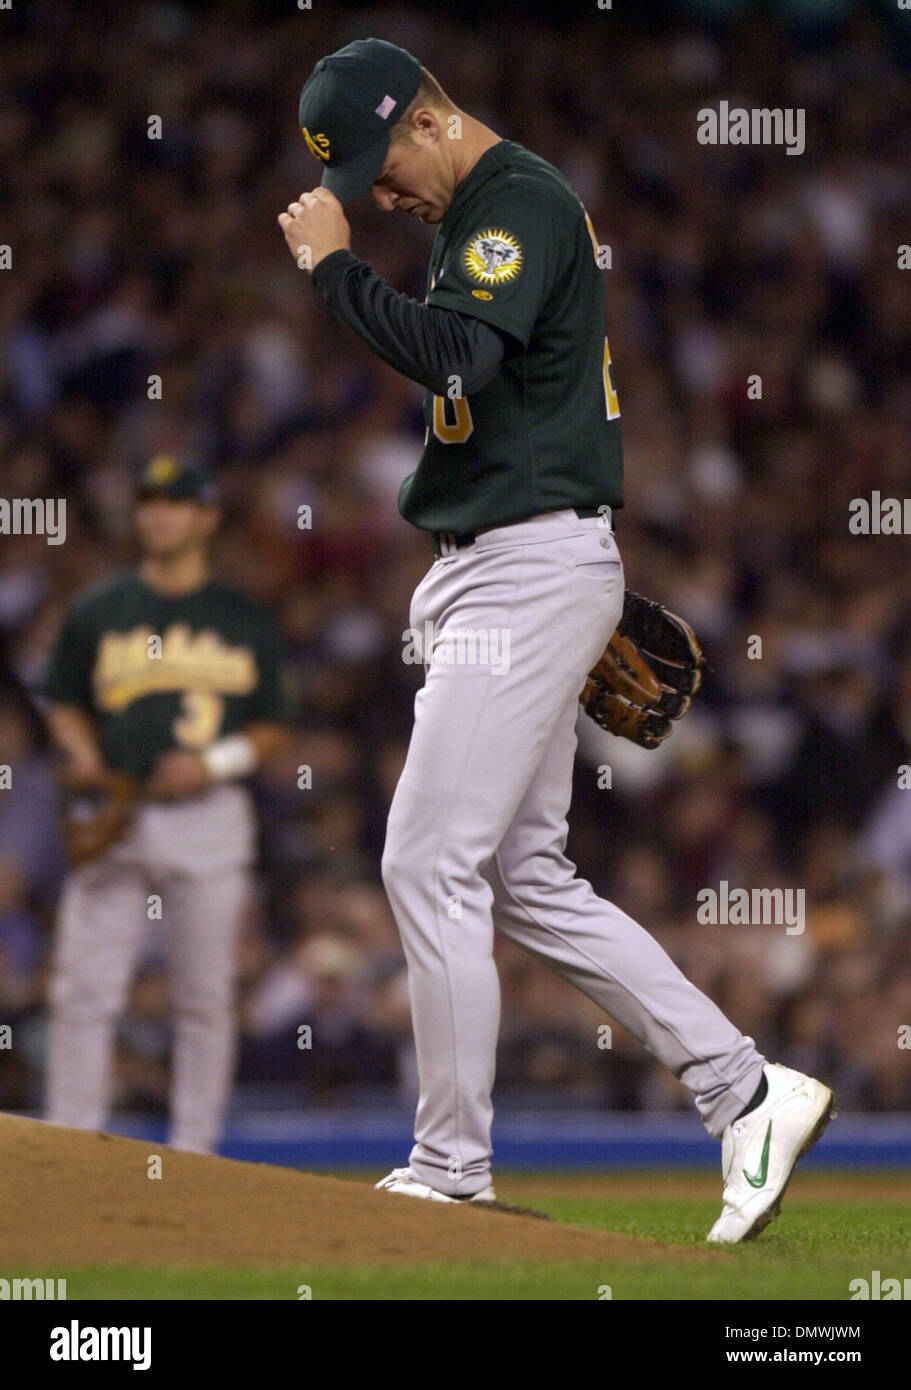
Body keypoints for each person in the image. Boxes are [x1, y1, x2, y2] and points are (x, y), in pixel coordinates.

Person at [278, 38, 834, 1242]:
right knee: (521, 877)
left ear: (430, 120)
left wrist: (332, 271)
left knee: (425, 859)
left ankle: (448, 1165)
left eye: (383, 167)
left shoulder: (515, 203)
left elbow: (456, 353)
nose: (380, 194)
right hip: (506, 564)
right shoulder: (471, 217)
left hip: (521, 568)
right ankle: (743, 1089)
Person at [43, 455, 290, 1153]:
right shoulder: (99, 607)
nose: (156, 513)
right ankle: (69, 1143)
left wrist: (213, 763)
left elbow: (274, 725)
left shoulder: (242, 616)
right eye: (148, 500)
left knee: (205, 998)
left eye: (174, 501)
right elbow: (62, 699)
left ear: (207, 517)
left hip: (208, 816)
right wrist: (85, 756)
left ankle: (194, 1152)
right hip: (117, 812)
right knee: (83, 991)